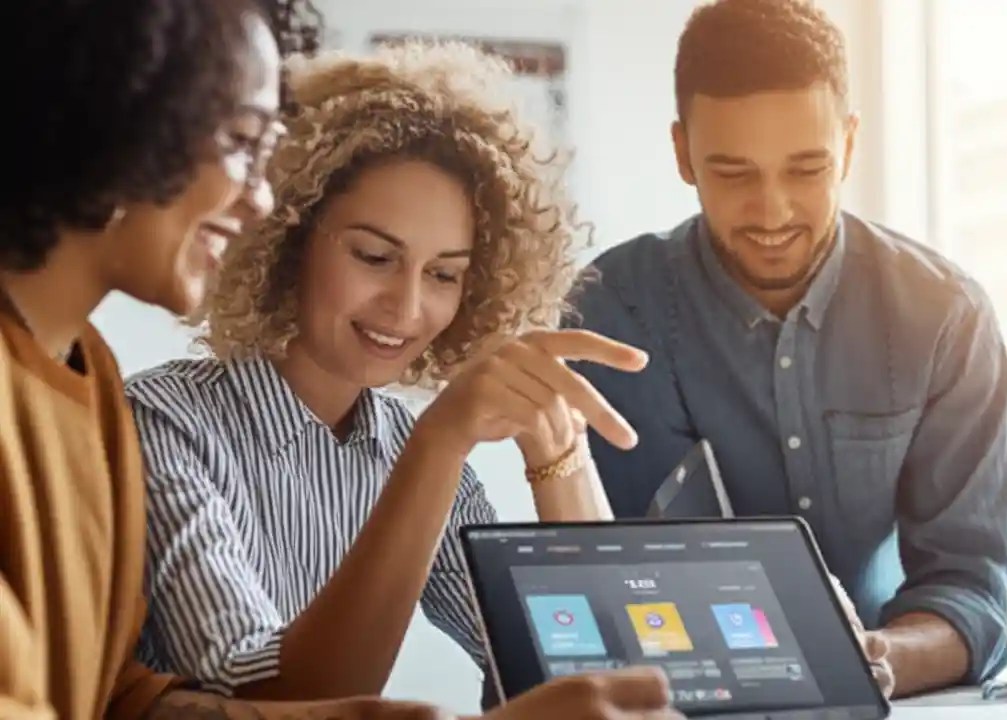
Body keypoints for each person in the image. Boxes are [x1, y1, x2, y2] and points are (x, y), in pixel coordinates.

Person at [0, 2, 674, 719]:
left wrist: (558, 451)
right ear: (291, 239)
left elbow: (600, 667)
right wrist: (441, 441)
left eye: (444, 274)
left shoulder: (91, 378)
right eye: (375, 257)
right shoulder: (160, 421)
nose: (407, 307)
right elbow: (269, 697)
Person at [570, 0, 1007, 698]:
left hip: (880, 689)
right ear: (683, 154)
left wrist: (873, 659)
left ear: (849, 144)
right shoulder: (612, 311)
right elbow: (634, 576)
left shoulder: (946, 316)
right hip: (677, 695)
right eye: (734, 174)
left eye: (806, 170)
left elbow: (971, 594)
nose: (772, 212)